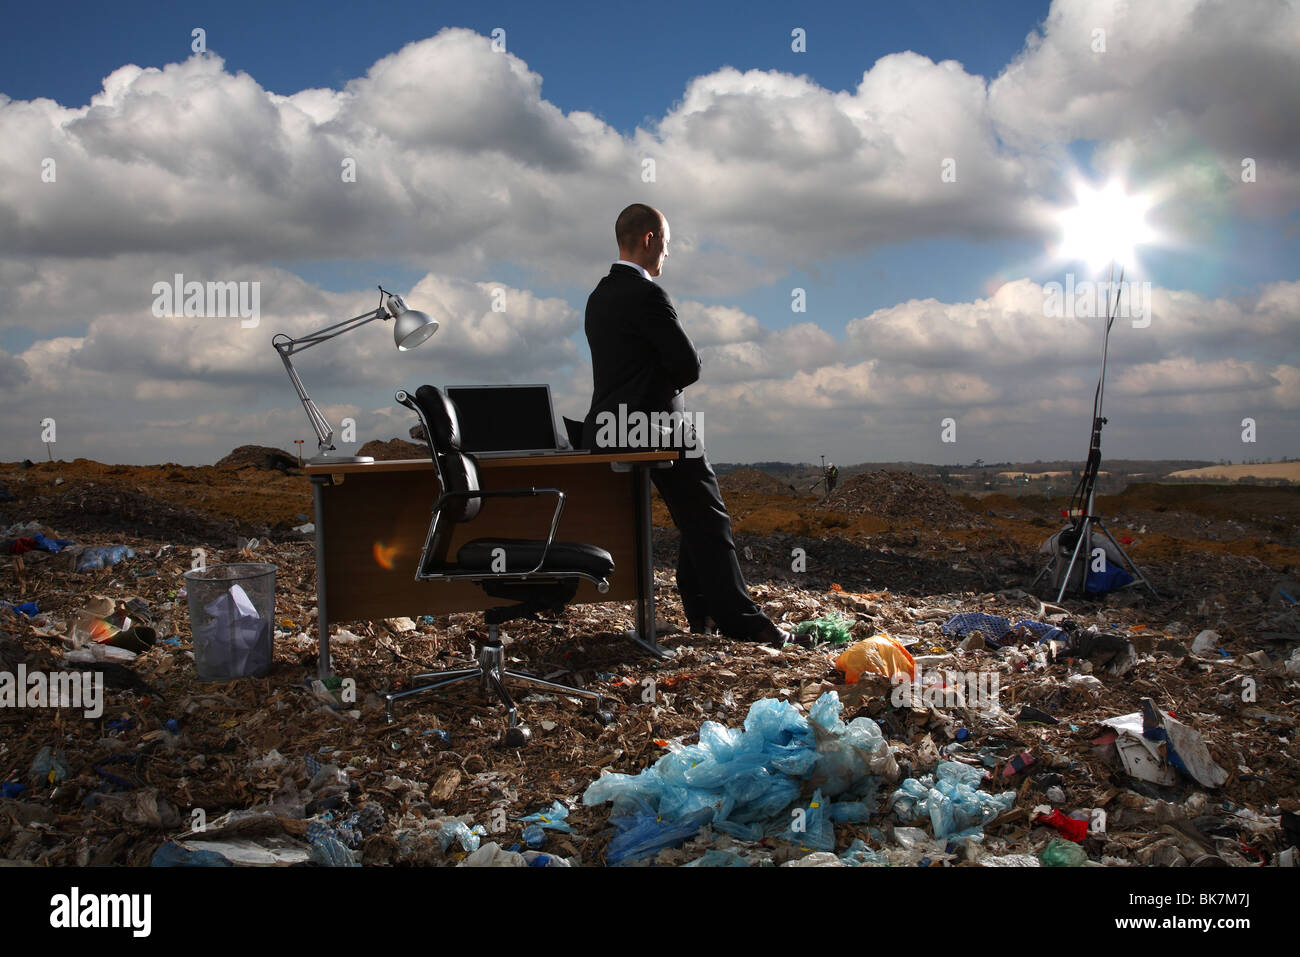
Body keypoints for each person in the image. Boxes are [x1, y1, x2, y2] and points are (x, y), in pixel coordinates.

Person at [581, 203, 791, 647]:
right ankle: (740, 620)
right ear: (650, 239)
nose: (667, 257)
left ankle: (705, 612)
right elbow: (688, 365)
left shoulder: (598, 296)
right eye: (668, 246)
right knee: (709, 518)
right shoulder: (648, 294)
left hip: (606, 426)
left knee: (695, 518)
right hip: (654, 427)